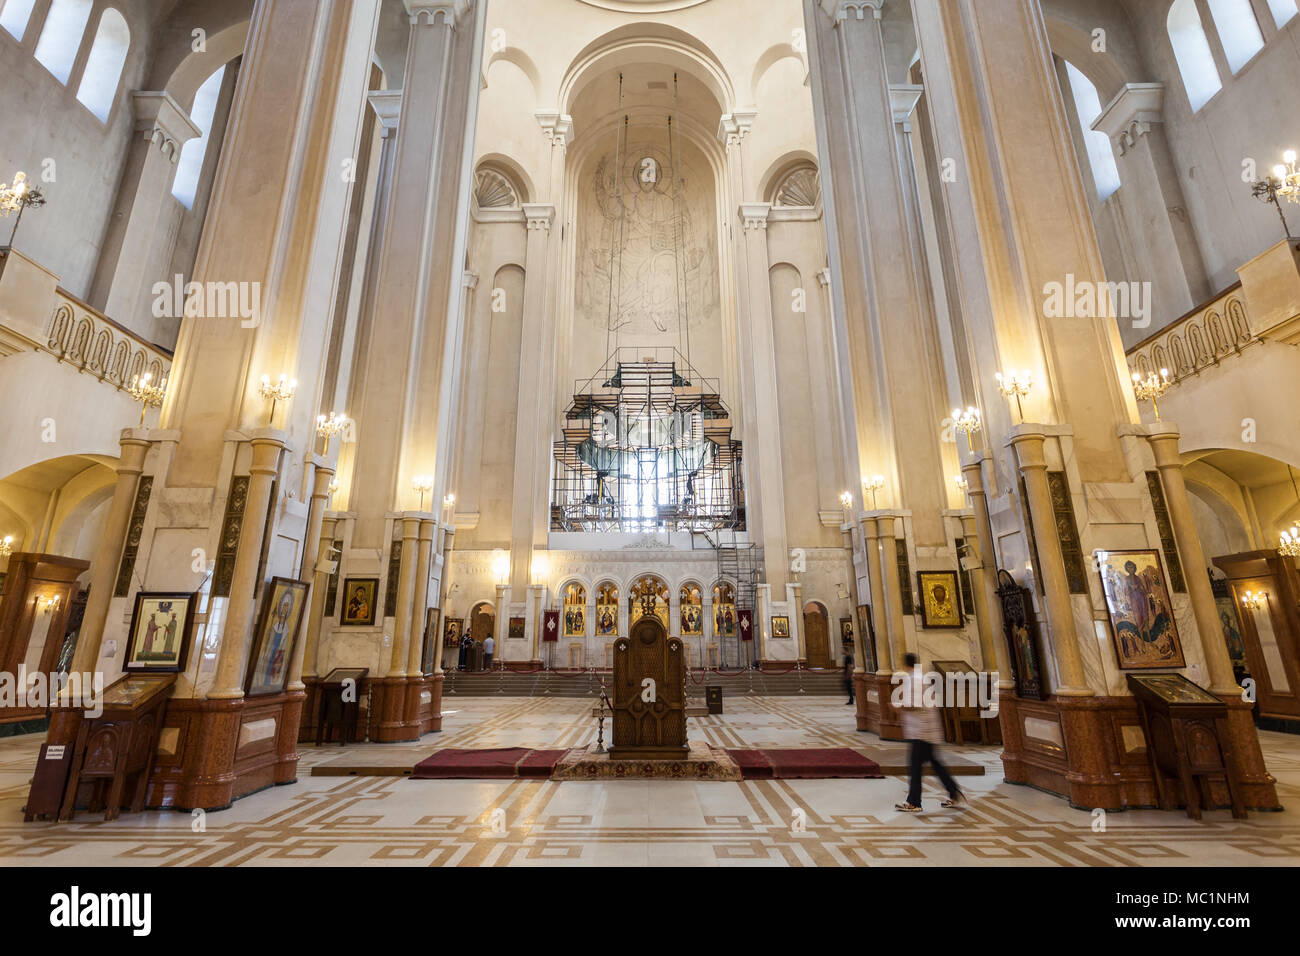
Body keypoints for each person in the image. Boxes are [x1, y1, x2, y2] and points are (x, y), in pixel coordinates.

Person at [895, 652, 966, 813]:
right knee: (935, 763)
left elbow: (913, 704)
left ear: (905, 664)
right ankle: (954, 793)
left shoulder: (914, 679)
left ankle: (914, 802)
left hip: (922, 730)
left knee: (915, 767)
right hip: (926, 729)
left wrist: (897, 706)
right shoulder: (921, 677)